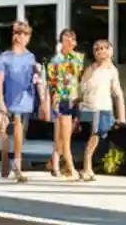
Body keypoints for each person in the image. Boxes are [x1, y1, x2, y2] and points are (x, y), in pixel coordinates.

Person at [0, 19, 43, 182]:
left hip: (24, 99)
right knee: (4, 133)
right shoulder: (4, 58)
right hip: (7, 98)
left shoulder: (30, 57)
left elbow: (35, 78)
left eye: (24, 34)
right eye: (17, 33)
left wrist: (39, 80)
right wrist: (0, 103)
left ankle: (18, 165)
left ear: (28, 37)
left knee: (19, 130)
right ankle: (5, 158)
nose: (20, 37)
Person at [77, 39, 126, 181]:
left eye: (104, 48)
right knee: (93, 135)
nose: (101, 51)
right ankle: (86, 167)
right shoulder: (90, 69)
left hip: (103, 107)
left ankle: (87, 167)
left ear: (110, 51)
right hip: (88, 107)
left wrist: (121, 115)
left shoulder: (112, 71)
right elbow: (82, 88)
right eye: (97, 49)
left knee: (96, 135)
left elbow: (118, 93)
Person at [46, 28, 85, 179]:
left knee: (63, 136)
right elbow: (53, 83)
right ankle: (71, 168)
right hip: (62, 100)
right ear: (61, 41)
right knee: (65, 136)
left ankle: (54, 164)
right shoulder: (55, 61)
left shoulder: (78, 58)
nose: (69, 41)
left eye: (71, 39)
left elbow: (81, 78)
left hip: (75, 99)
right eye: (65, 38)